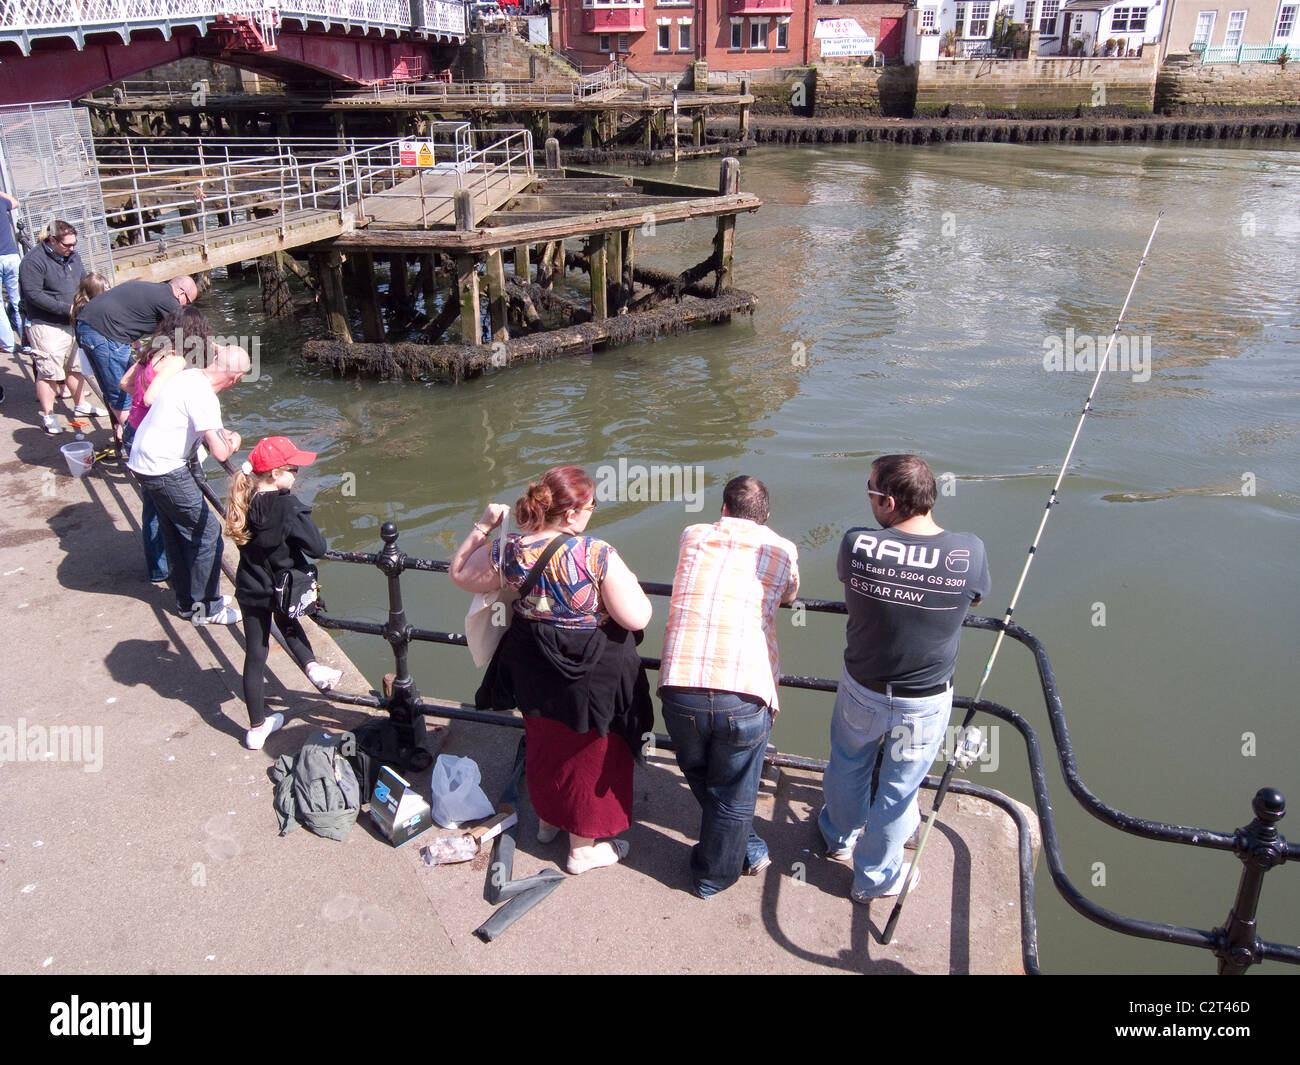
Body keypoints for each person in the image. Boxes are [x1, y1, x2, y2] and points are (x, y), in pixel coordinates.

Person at [450, 466, 654, 875]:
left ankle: (548, 822)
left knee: (543, 742)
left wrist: (484, 525)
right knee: (591, 753)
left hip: (532, 664)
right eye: (592, 505)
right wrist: (627, 578)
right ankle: (582, 849)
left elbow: (460, 574)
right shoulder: (596, 553)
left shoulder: (510, 551)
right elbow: (637, 617)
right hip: (589, 676)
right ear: (576, 512)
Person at [819, 454, 990, 903]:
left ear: (889, 502)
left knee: (848, 762)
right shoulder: (968, 550)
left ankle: (838, 838)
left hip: (862, 688)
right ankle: (873, 879)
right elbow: (973, 600)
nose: (869, 498)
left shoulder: (857, 544)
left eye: (871, 491)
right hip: (925, 699)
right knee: (899, 789)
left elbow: (846, 579)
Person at [659, 475, 800, 898]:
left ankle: (748, 847)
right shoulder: (782, 548)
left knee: (700, 772)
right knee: (734, 795)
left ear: (723, 509)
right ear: (766, 516)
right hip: (744, 692)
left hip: (680, 686)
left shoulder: (693, 535)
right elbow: (789, 595)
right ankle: (713, 877)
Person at [226, 435, 341, 751]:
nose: (297, 475)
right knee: (289, 623)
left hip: (250, 588)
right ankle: (314, 670)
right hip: (282, 586)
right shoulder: (288, 506)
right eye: (293, 469)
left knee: (255, 653)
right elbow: (317, 547)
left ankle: (256, 728)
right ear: (275, 473)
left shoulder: (242, 499)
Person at [126, 344, 250, 626]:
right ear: (236, 378)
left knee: (175, 532)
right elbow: (220, 452)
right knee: (207, 533)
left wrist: (219, 434)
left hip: (144, 461)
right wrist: (235, 440)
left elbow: (200, 426)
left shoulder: (189, 376)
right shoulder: (204, 396)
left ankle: (188, 603)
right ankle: (208, 607)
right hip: (164, 470)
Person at [119, 304, 214, 584]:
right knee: (158, 507)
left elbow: (125, 383)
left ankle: (159, 567)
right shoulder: (176, 360)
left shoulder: (151, 351)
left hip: (133, 430)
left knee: (154, 506)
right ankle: (163, 569)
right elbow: (150, 398)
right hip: (149, 438)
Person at [75, 275, 197, 444]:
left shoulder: (152, 290)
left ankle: (122, 428)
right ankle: (136, 443)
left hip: (89, 326)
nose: (185, 306)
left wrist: (140, 348)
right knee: (120, 393)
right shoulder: (168, 299)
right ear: (181, 294)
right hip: (105, 334)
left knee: (126, 383)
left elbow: (128, 315)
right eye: (188, 302)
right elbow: (190, 333)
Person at [19, 220, 95, 435]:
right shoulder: (32, 262)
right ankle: (49, 414)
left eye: (74, 244)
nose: (72, 249)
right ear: (52, 240)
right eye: (67, 245)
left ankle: (80, 404)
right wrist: (66, 309)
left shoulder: (73, 256)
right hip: (46, 324)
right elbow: (33, 295)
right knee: (48, 371)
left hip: (72, 322)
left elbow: (83, 281)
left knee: (75, 366)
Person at [0, 189, 23, 355]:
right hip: (10, 255)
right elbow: (14, 202)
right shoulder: (1, 201)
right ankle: (28, 342)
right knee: (19, 301)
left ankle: (8, 344)